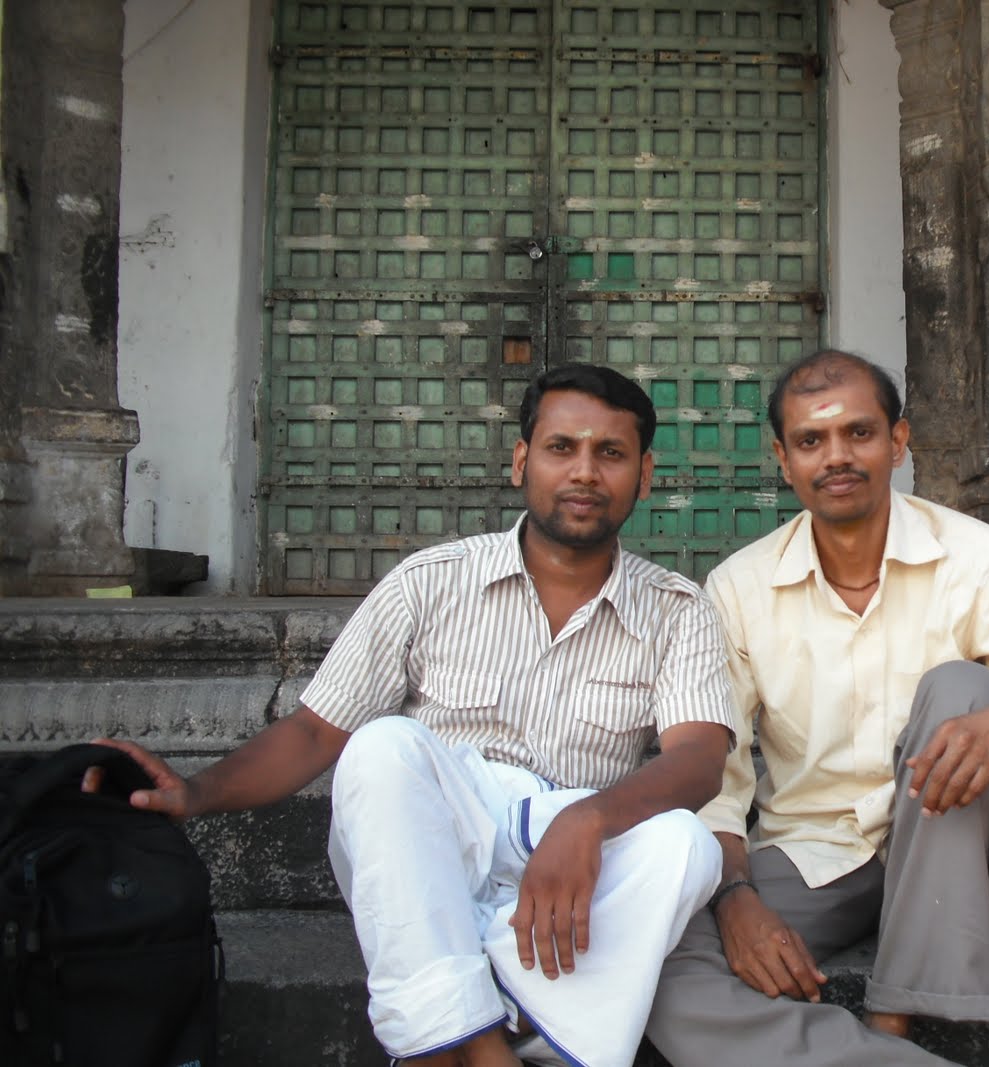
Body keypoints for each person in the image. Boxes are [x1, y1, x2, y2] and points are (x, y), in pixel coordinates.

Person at [89, 365, 735, 1067]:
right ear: (522, 459)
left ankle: (454, 1012)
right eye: (560, 448)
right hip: (432, 852)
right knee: (384, 746)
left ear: (644, 475)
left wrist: (590, 820)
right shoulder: (430, 581)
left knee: (687, 847)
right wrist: (196, 791)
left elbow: (698, 757)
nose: (584, 472)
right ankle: (479, 1044)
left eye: (610, 453)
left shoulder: (676, 608)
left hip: (575, 855)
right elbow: (315, 731)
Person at [645, 350, 989, 1066]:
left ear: (899, 442)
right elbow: (718, 773)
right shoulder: (738, 588)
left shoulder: (976, 558)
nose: (837, 457)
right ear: (782, 458)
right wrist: (735, 895)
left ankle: (895, 1012)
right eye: (811, 440)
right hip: (811, 855)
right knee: (656, 964)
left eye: (860, 434)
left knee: (966, 688)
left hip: (957, 853)